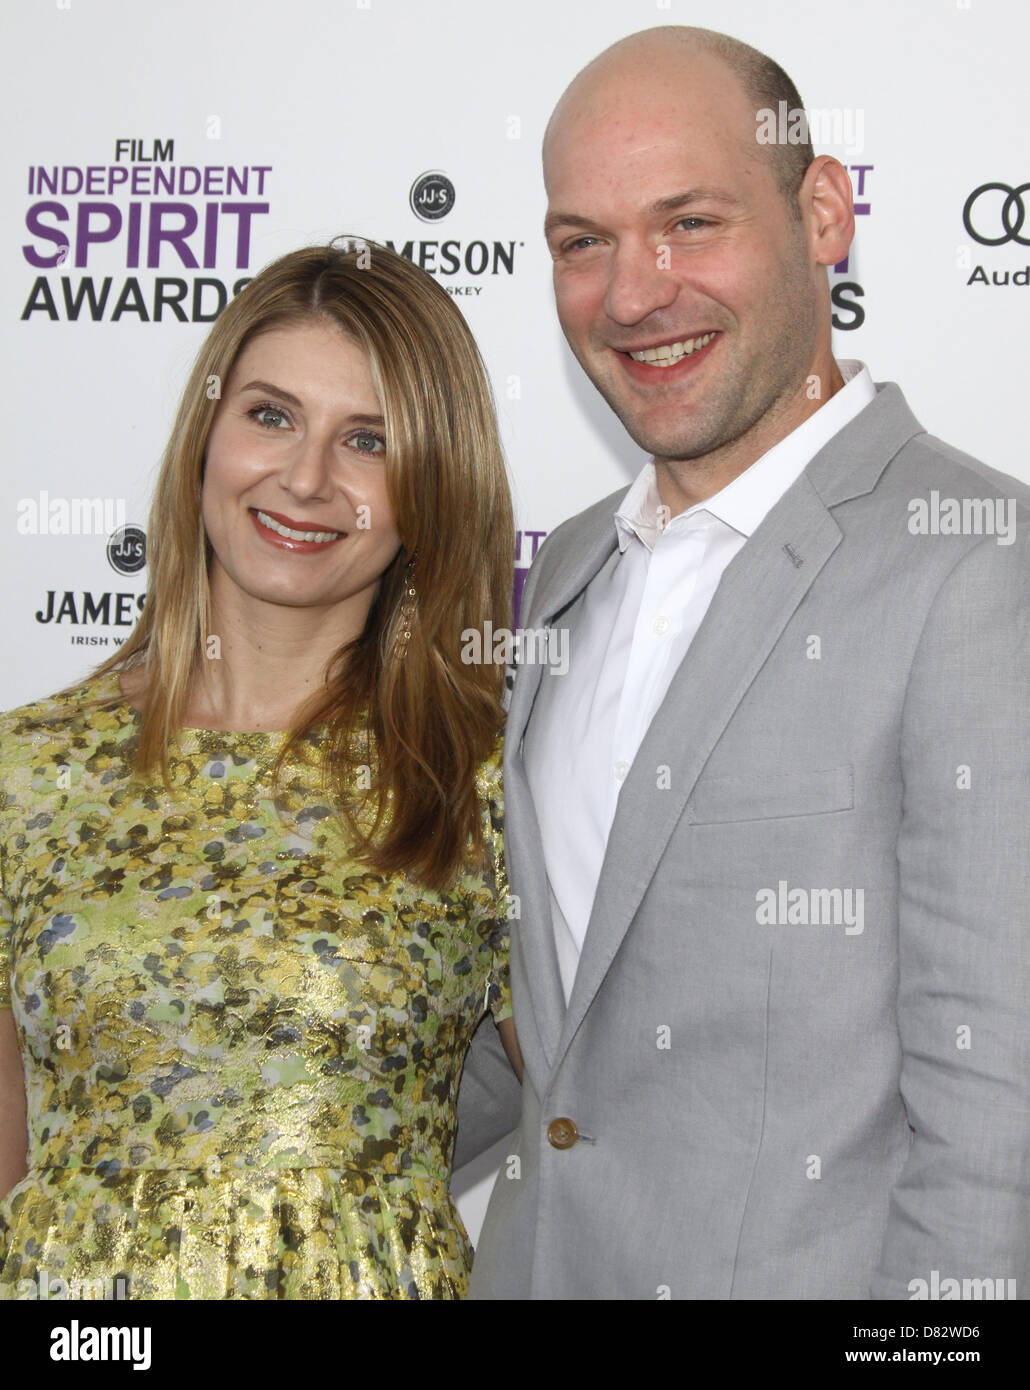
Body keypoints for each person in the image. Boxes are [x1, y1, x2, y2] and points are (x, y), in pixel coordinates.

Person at [454, 26, 1030, 1299]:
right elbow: (552, 1018)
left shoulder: (978, 565)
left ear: (821, 210)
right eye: (581, 242)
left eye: (689, 222)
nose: (632, 294)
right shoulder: (571, 571)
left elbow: (999, 1117)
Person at [0, 238, 521, 1300]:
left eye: (368, 440)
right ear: (207, 432)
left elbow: (605, 1135)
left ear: (432, 483)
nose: (305, 478)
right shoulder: (26, 772)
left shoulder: (486, 782)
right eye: (271, 415)